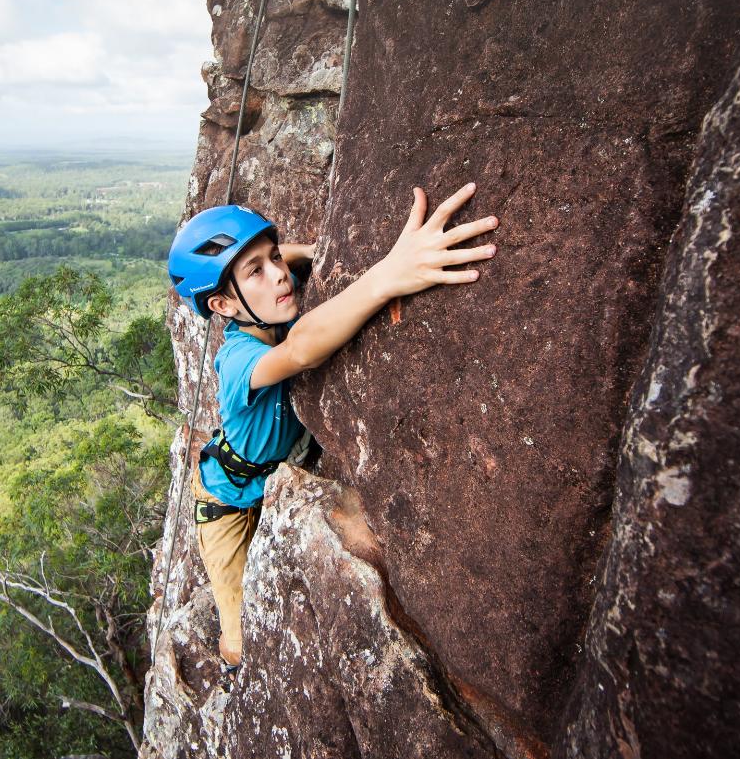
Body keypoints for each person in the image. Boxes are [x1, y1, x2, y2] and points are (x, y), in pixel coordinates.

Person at [167, 182, 498, 687]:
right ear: (222, 308)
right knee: (238, 628)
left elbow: (293, 260)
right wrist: (387, 275)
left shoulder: (266, 298)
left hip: (275, 468)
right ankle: (235, 670)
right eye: (255, 271)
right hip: (227, 499)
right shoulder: (235, 359)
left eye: (273, 257)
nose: (280, 274)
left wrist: (297, 255)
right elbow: (301, 351)